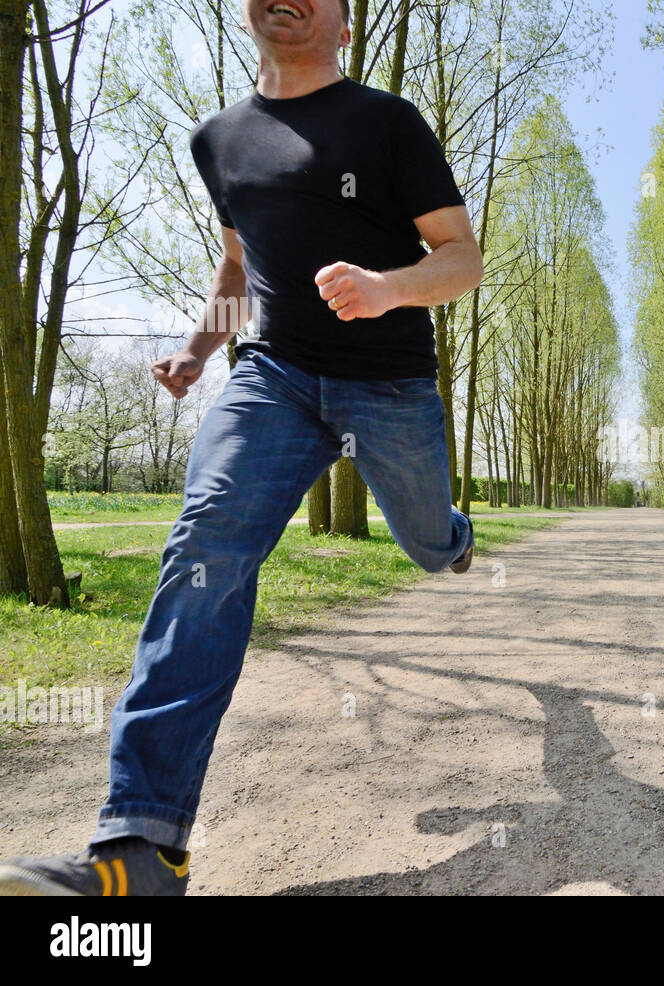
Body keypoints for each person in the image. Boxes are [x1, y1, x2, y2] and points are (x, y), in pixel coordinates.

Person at [0, 0, 482, 896]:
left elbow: (462, 256)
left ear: (346, 24)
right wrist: (197, 350)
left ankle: (454, 538)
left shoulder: (387, 123)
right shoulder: (217, 138)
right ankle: (142, 848)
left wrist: (387, 288)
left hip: (390, 383)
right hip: (276, 379)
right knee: (207, 542)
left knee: (424, 542)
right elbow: (238, 267)